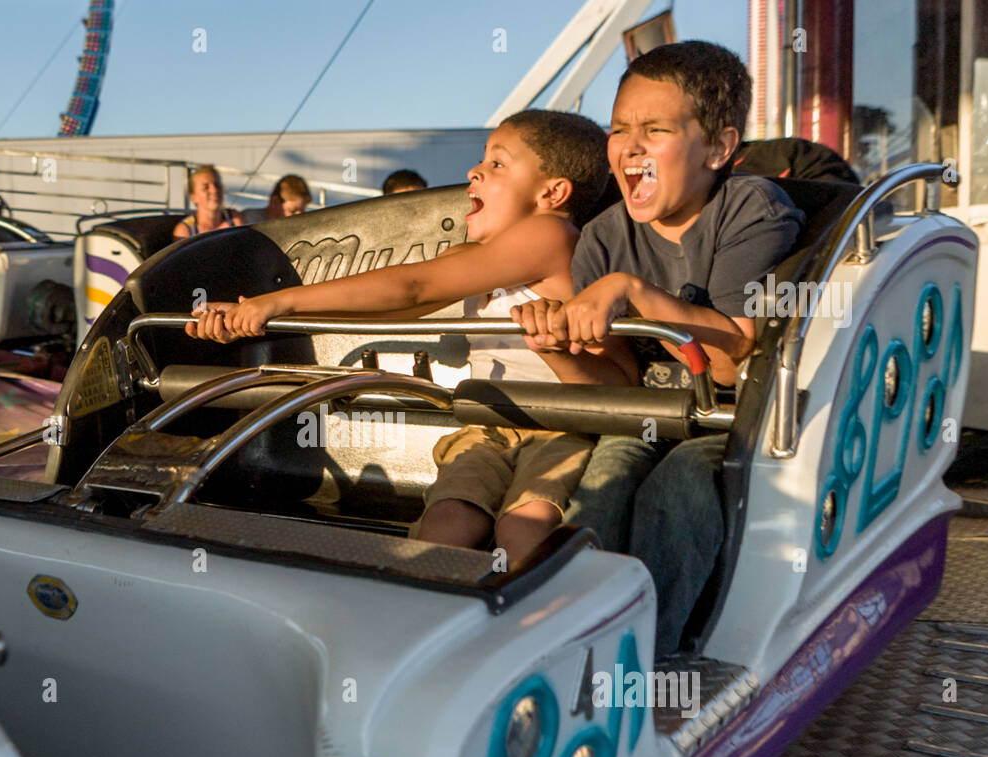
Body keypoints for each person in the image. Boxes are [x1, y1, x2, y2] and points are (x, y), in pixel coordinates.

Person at [188, 110, 630, 566]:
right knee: (447, 522)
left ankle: (526, 616)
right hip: (489, 425)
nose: (473, 171)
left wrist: (277, 303)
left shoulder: (552, 232)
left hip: (561, 426)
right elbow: (397, 302)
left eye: (497, 164)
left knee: (524, 527)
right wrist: (260, 307)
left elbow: (415, 285)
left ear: (552, 193)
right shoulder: (478, 258)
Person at [511, 41, 805, 656]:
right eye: (620, 129)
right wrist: (555, 343)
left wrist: (632, 290)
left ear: (719, 149)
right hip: (647, 415)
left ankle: (652, 659)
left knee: (680, 491)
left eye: (656, 129)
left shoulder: (752, 210)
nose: (630, 147)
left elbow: (730, 355)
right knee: (606, 487)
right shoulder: (602, 235)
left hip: (730, 421)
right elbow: (614, 384)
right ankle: (568, 648)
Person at [173, 165, 244, 238]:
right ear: (194, 197)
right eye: (206, 187)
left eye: (217, 185)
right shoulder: (184, 231)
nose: (214, 190)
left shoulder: (235, 219)